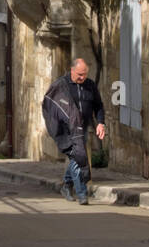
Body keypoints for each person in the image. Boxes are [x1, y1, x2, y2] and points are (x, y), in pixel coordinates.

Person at [42, 57, 106, 205]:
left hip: (82, 127)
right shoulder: (61, 86)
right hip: (66, 130)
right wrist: (55, 128)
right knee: (78, 157)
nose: (82, 77)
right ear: (72, 70)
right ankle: (82, 193)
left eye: (85, 74)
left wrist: (100, 123)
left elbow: (98, 105)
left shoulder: (90, 85)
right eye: (79, 74)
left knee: (77, 158)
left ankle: (67, 185)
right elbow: (49, 105)